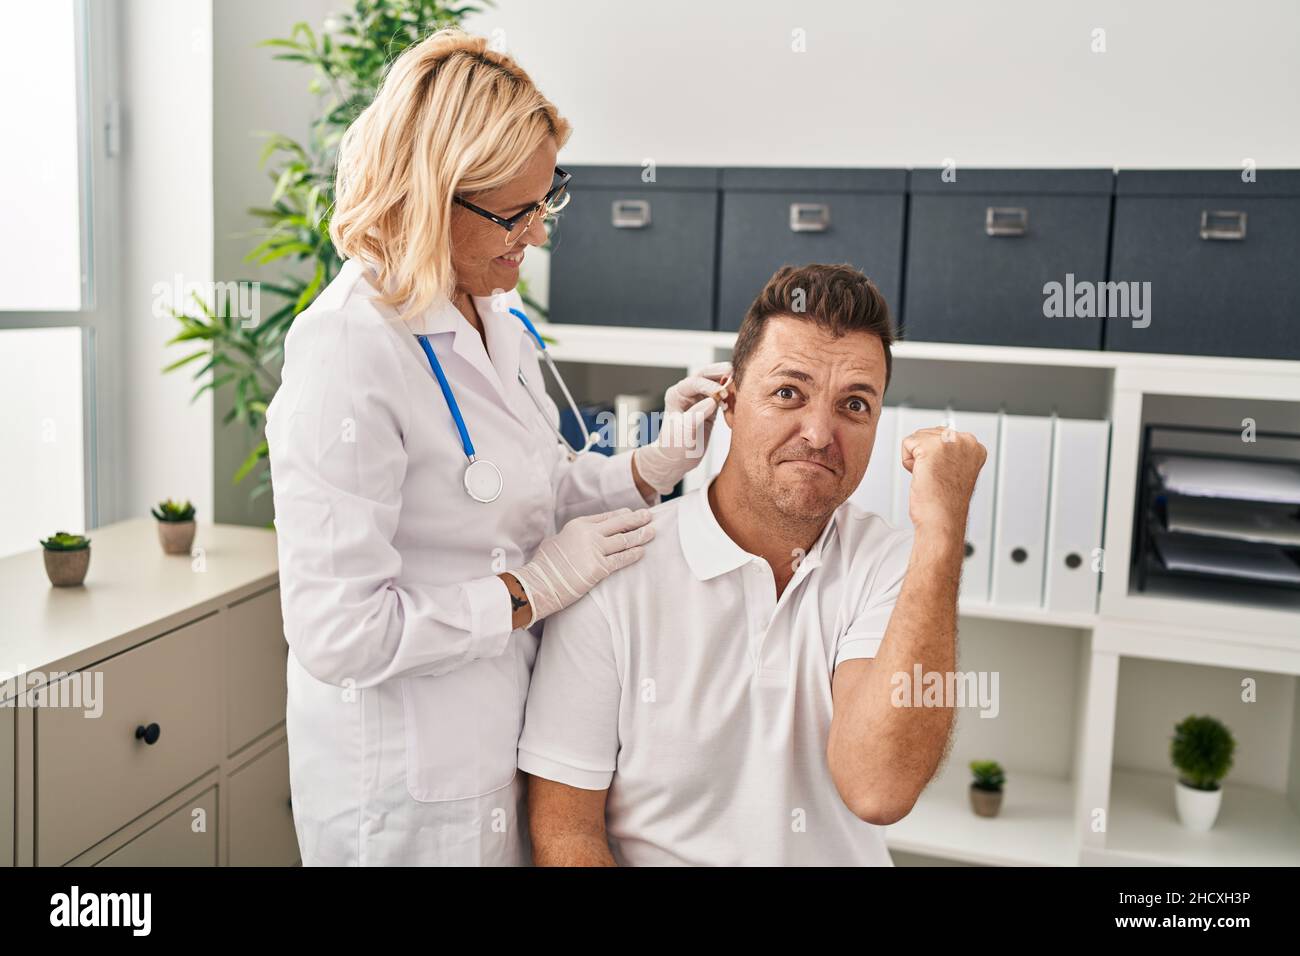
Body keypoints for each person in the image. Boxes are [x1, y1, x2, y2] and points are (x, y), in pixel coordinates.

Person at [264, 28, 728, 866]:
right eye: (516, 214)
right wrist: (528, 588)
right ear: (429, 193)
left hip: (505, 734)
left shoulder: (490, 316)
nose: (539, 236)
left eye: (545, 205)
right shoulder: (347, 349)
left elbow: (535, 483)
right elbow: (339, 635)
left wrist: (651, 464)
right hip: (404, 789)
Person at [519, 263, 987, 865]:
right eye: (788, 392)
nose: (819, 434)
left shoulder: (892, 562)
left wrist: (945, 529)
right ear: (731, 403)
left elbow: (878, 787)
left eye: (854, 404)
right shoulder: (614, 569)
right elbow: (566, 832)